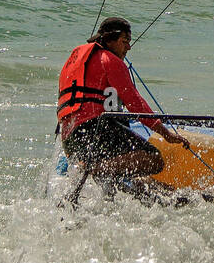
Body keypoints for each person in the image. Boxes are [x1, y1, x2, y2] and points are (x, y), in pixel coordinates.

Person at [57, 16, 187, 190]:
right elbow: (135, 104)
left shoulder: (77, 62)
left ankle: (167, 195)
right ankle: (93, 169)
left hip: (70, 140)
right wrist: (165, 133)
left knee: (132, 182)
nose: (129, 47)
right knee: (153, 159)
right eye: (125, 41)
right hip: (95, 130)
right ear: (109, 39)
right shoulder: (109, 60)